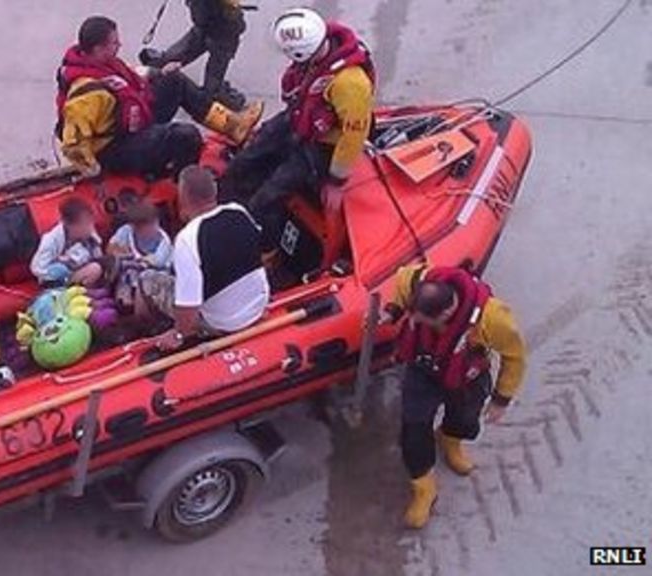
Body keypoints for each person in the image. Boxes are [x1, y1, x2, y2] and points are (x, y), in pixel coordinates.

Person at [219, 7, 374, 271]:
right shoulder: (316, 60)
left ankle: (266, 253)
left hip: (323, 145)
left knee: (266, 198)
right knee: (243, 162)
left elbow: (355, 133)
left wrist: (336, 181)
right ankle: (225, 212)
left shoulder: (350, 84)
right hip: (301, 121)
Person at [379, 263, 527, 529]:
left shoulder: (494, 318)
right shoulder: (415, 280)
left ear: (447, 311)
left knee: (464, 420)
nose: (416, 323)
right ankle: (424, 487)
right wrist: (394, 310)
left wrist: (501, 399)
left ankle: (450, 440)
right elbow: (401, 281)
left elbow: (514, 357)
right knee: (412, 431)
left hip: (464, 378)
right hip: (423, 370)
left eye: (424, 320)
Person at [56, 15, 263, 179]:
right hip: (115, 147)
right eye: (114, 43)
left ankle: (233, 126)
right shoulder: (86, 95)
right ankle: (179, 184)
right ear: (98, 49)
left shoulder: (102, 63)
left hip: (129, 121)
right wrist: (96, 173)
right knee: (186, 136)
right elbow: (73, 144)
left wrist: (160, 73)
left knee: (175, 81)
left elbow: (132, 74)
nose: (119, 45)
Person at [146, 165, 269, 351]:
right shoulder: (239, 211)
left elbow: (189, 306)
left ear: (183, 197)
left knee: (147, 279)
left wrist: (179, 334)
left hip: (222, 323)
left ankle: (145, 331)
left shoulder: (187, 239)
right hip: (257, 306)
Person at [138, 0, 249, 110]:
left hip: (216, 28)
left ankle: (152, 72)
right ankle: (149, 76)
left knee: (186, 53)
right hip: (214, 29)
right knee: (210, 86)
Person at [107, 200, 174, 312]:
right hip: (127, 277)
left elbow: (160, 265)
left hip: (151, 282)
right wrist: (121, 252)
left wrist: (142, 262)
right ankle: (121, 306)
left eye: (154, 224)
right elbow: (110, 248)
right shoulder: (126, 231)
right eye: (141, 227)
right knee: (122, 271)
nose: (152, 228)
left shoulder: (164, 243)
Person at [30, 197, 104, 287]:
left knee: (97, 268)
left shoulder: (90, 234)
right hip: (57, 280)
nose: (90, 227)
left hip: (80, 270)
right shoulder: (51, 240)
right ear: (71, 226)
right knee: (95, 269)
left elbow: (98, 255)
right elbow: (37, 268)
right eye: (85, 223)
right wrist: (62, 271)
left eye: (90, 222)